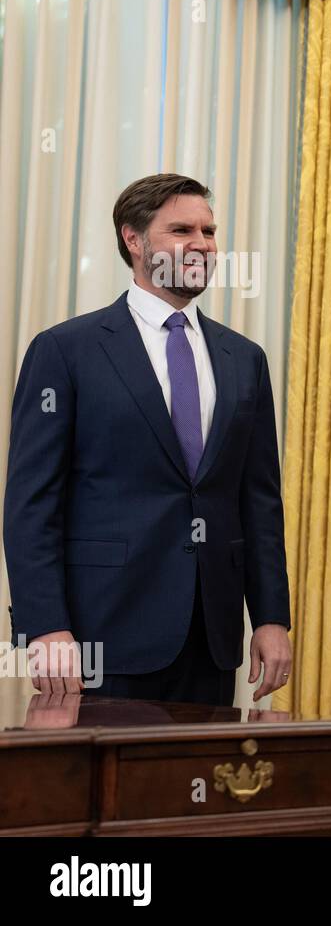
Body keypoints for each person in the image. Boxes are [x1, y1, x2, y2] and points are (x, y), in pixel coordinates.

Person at [4, 173, 292, 706]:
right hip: (97, 641)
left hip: (210, 640)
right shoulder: (65, 351)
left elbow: (259, 502)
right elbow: (31, 505)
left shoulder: (244, 359)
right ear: (133, 240)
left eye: (209, 231)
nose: (202, 244)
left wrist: (271, 616)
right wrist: (44, 626)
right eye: (181, 229)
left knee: (195, 787)